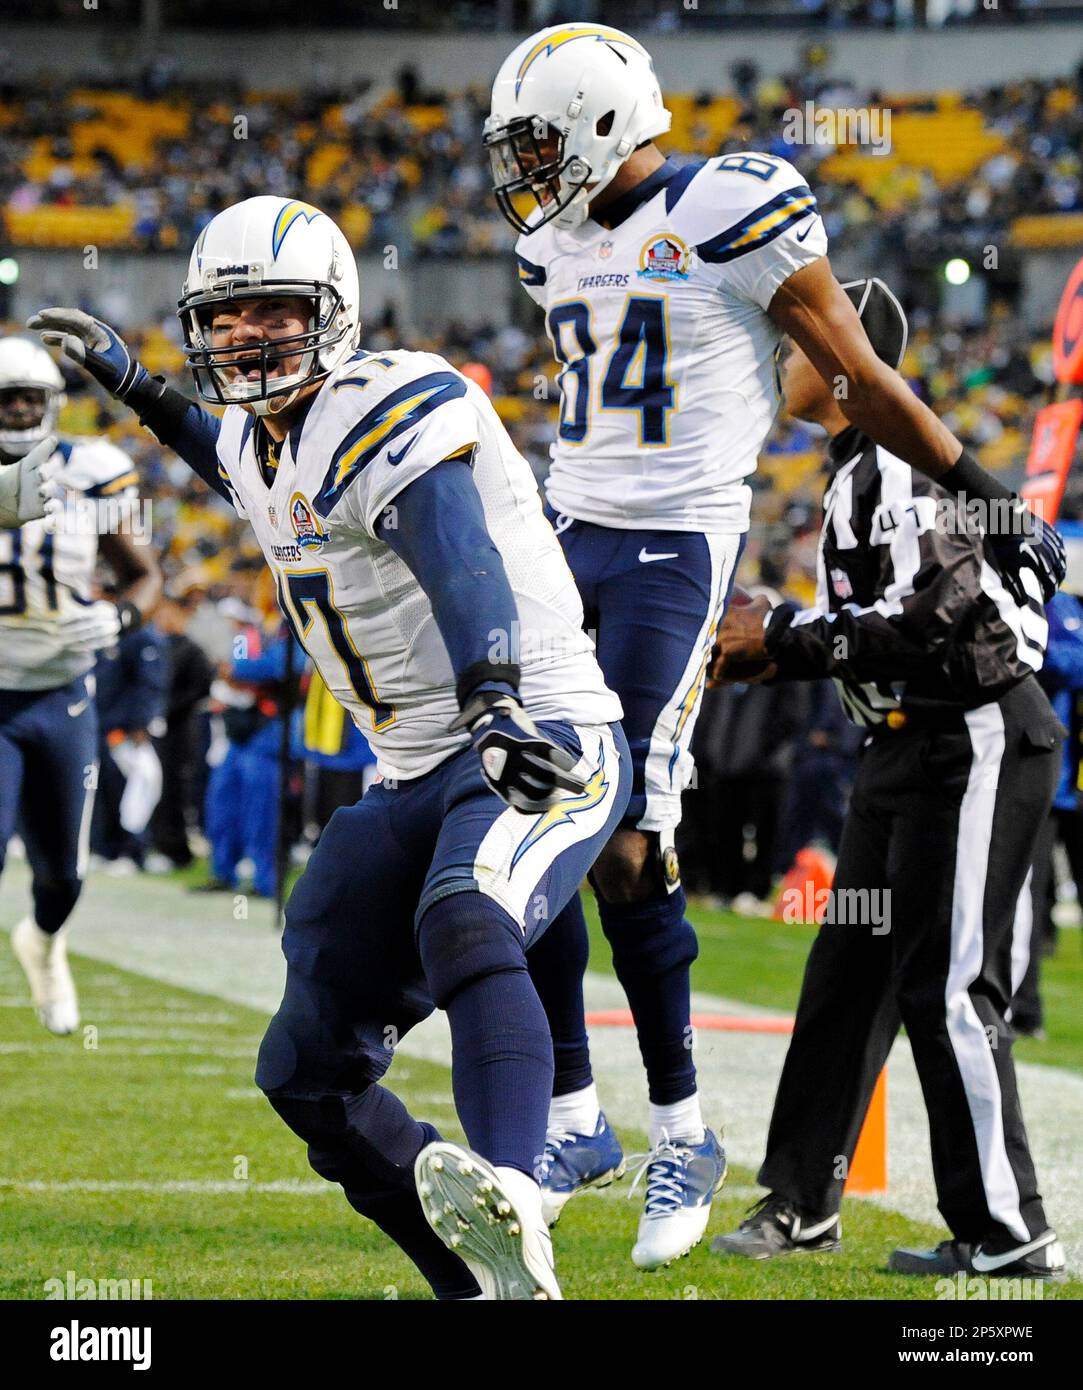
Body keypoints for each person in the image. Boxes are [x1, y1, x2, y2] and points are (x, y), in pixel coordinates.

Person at [482, 19, 1064, 1268]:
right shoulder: (556, 253)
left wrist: (983, 496)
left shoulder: (752, 231)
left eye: (540, 137)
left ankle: (998, 1235)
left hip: (944, 728)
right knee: (833, 965)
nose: (523, 169)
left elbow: (942, 599)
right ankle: (758, 1181)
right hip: (856, 727)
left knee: (924, 977)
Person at [30, 193, 630, 1301]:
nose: (246, 335)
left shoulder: (384, 397)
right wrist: (134, 383)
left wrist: (495, 702)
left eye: (273, 310)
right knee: (303, 1071)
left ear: (337, 313)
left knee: (468, 912)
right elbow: (237, 466)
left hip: (534, 725)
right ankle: (477, 1276)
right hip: (408, 771)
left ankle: (515, 1184)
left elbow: (456, 551)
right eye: (225, 316)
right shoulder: (270, 444)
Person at [710, 278, 1066, 1282]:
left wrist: (782, 634)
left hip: (975, 737)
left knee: (948, 987)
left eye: (793, 345)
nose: (781, 361)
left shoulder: (899, 471)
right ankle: (804, 1199)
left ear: (839, 360)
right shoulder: (863, 473)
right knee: (849, 972)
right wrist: (786, 637)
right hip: (906, 751)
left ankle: (1007, 1230)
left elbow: (933, 626)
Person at [0, 335, 161, 1035]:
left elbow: (144, 576)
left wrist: (120, 616)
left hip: (63, 692)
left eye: (29, 398)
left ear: (53, 404)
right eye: (6, 399)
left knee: (65, 873)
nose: (18, 411)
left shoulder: (88, 475)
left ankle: (42, 940)